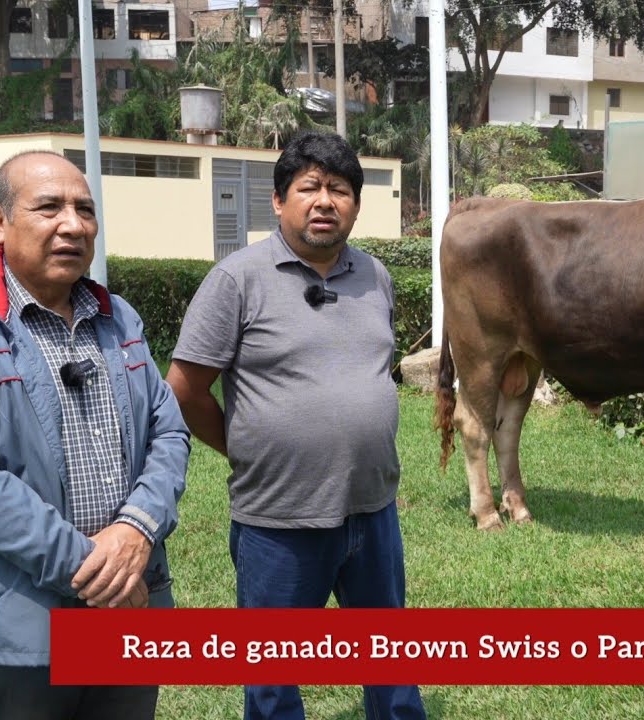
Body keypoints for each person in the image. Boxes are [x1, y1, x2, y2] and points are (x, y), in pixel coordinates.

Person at [0, 150, 190, 720]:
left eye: (85, 209)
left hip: (135, 597)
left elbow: (168, 432)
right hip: (27, 625)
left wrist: (137, 529)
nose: (74, 224)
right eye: (49, 207)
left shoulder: (118, 317)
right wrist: (95, 570)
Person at [166, 131, 427, 720]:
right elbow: (185, 389)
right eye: (308, 187)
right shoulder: (237, 280)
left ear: (356, 205)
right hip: (278, 520)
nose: (325, 201)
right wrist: (243, 445)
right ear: (279, 201)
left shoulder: (375, 276)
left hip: (373, 511)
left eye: (339, 189)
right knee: (273, 678)